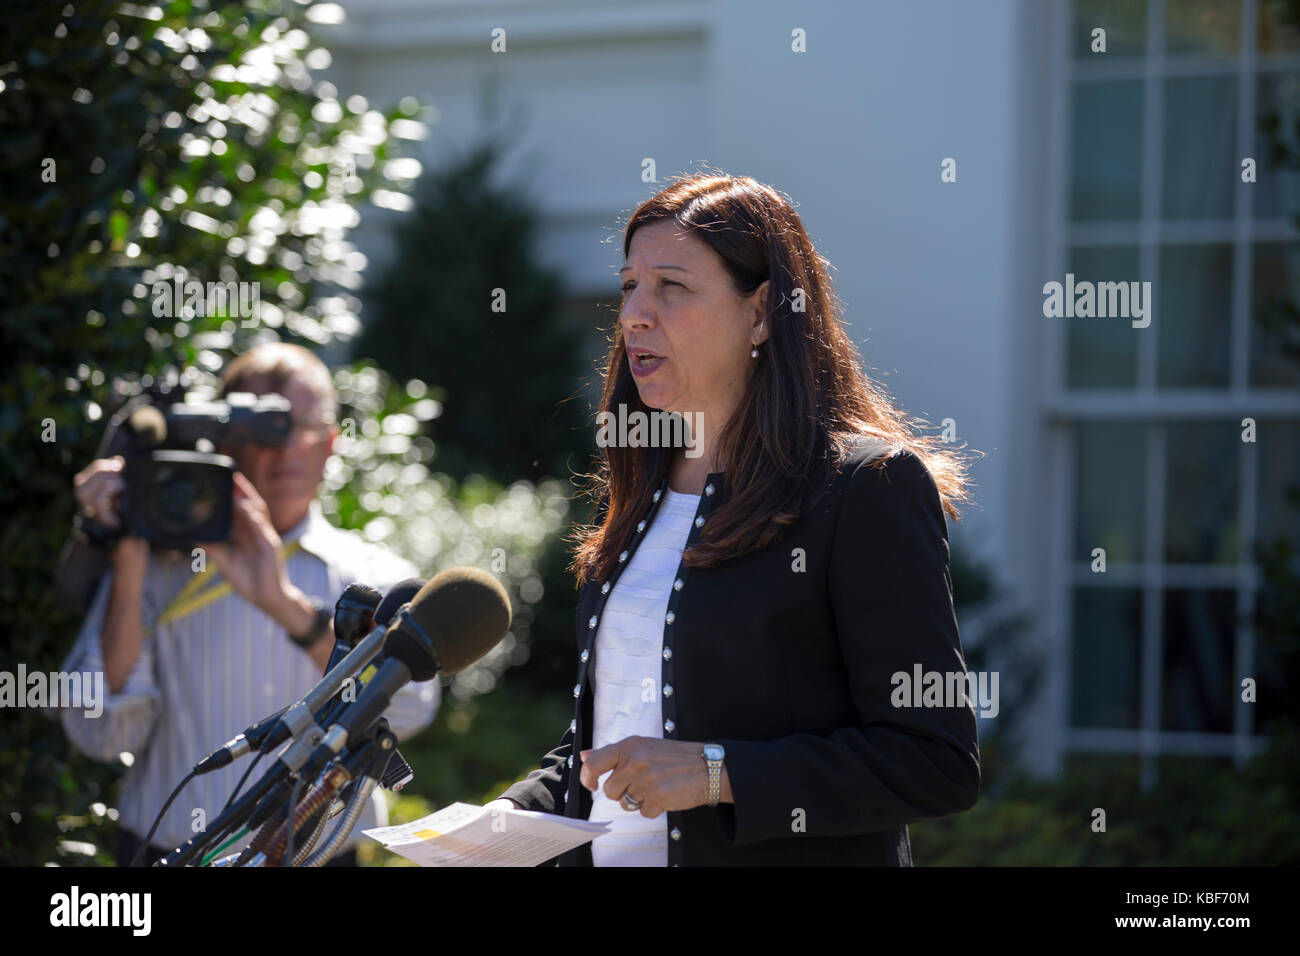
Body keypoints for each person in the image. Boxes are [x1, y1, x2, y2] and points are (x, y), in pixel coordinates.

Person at [487, 173, 980, 865]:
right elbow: (615, 736)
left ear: (761, 313)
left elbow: (936, 760)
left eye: (673, 286)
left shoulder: (866, 488)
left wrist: (718, 774)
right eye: (630, 284)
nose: (634, 312)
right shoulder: (641, 483)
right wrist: (509, 817)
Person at [59, 342, 438, 866]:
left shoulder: (375, 575)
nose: (283, 450)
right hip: (167, 854)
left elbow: (413, 708)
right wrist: (127, 550)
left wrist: (283, 604)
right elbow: (99, 732)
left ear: (330, 442)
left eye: (300, 428)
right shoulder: (157, 566)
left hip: (317, 857)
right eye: (262, 430)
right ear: (225, 442)